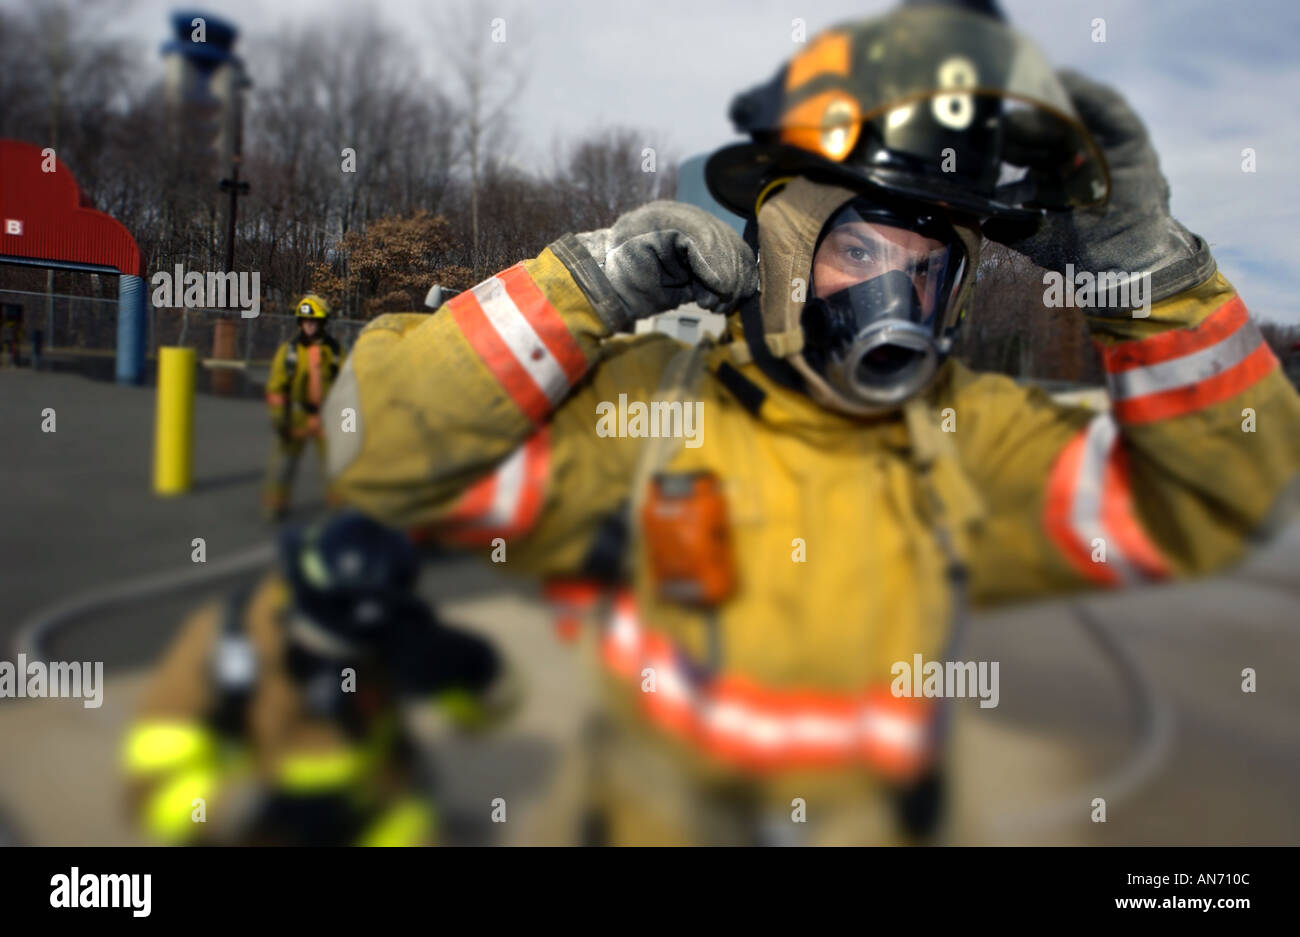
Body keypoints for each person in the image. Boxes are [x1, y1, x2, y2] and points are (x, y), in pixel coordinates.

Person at [320, 1, 1300, 844]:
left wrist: (1155, 279)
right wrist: (578, 287)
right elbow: (378, 447)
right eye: (862, 249)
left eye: (930, 267)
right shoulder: (647, 409)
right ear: (784, 247)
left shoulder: (976, 436)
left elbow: (1220, 498)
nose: (896, 294)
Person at [121, 511, 517, 846]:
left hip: (379, 811)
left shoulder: (391, 633)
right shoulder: (222, 642)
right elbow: (152, 788)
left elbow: (488, 714)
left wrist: (473, 669)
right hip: (260, 828)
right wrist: (240, 807)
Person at [263, 294, 344, 521]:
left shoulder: (335, 351)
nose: (309, 325)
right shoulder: (288, 352)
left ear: (322, 322)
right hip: (295, 415)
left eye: (314, 321)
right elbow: (277, 390)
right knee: (284, 465)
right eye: (305, 320)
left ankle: (339, 509)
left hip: (326, 417)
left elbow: (348, 387)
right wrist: (280, 421)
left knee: (336, 466)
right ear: (299, 322)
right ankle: (274, 506)